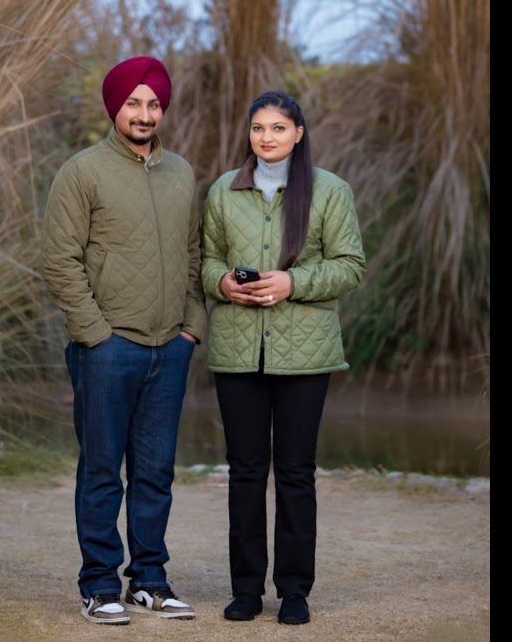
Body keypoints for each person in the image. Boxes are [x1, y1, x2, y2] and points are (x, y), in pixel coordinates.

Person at [42, 56, 207, 625]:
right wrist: (94, 335)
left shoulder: (181, 172)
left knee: (156, 470)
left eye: (154, 103)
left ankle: (150, 580)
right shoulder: (82, 171)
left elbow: (193, 255)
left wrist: (191, 330)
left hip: (170, 347)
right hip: (108, 348)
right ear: (115, 107)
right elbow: (59, 261)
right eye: (134, 102)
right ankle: (98, 585)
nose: (144, 113)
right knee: (101, 470)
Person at [200, 90, 366, 625]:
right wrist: (222, 281)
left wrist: (294, 281)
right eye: (257, 128)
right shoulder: (225, 190)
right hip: (237, 351)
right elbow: (205, 261)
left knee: (295, 473)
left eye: (277, 128)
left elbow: (350, 266)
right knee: (246, 472)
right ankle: (246, 589)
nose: (265, 138)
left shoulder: (330, 191)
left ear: (298, 133)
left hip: (307, 356)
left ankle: (294, 591)